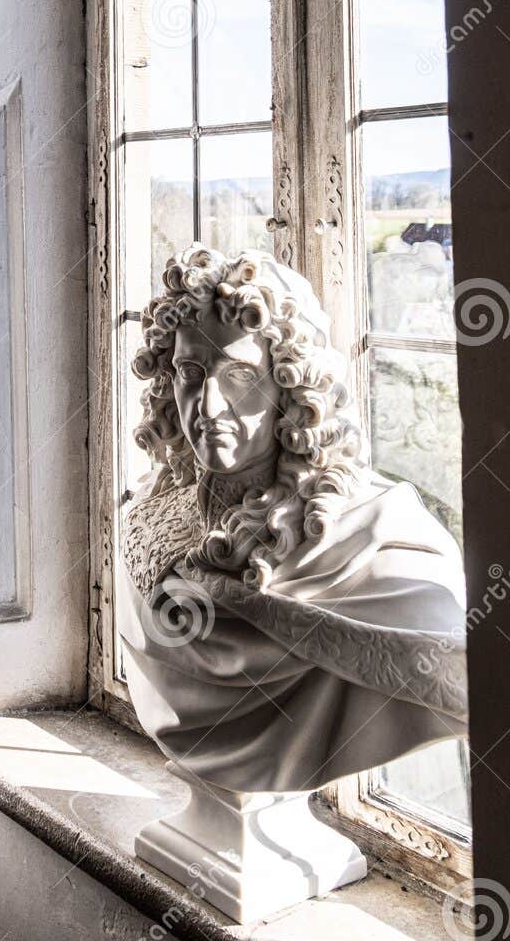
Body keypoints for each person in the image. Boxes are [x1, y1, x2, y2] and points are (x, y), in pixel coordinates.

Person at [118, 246, 468, 793]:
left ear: (290, 386)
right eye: (191, 372)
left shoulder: (386, 547)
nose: (208, 407)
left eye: (238, 375)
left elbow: (464, 678)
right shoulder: (149, 515)